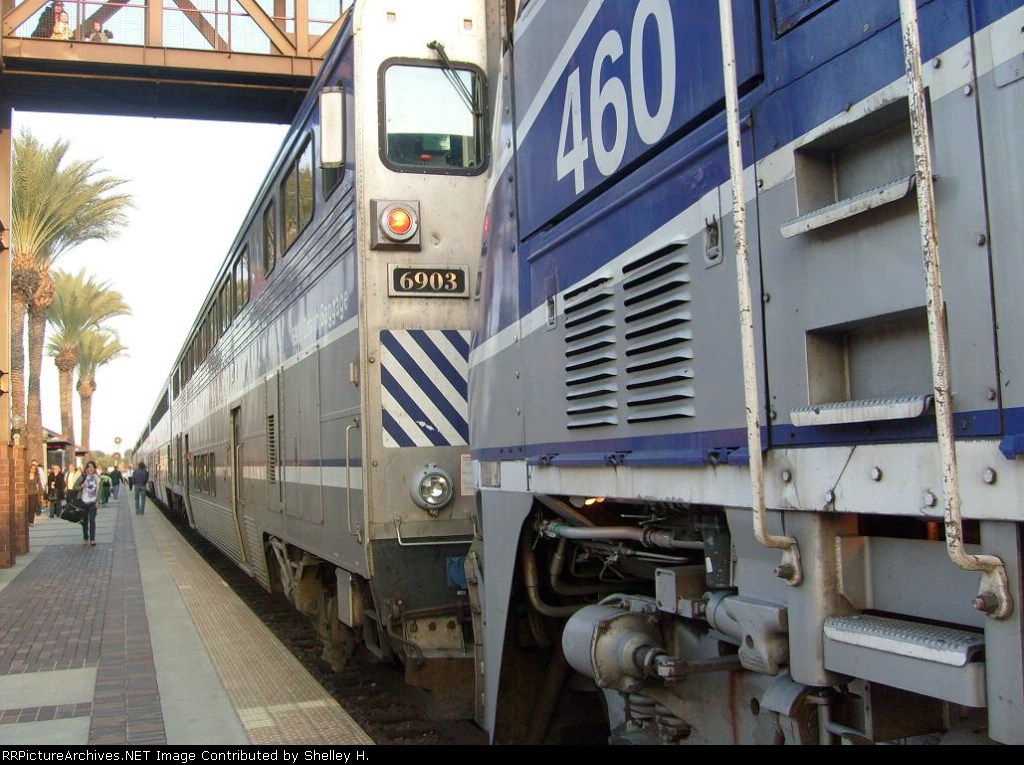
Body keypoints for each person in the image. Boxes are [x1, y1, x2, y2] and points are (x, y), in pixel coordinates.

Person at [72, 461, 100, 546]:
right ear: (86, 468)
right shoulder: (83, 477)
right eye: (89, 467)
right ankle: (85, 538)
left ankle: (92, 539)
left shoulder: (97, 478)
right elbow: (74, 487)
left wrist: (98, 501)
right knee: (84, 520)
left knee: (92, 520)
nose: (90, 469)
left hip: (93, 502)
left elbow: (99, 491)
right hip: (84, 501)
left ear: (94, 468)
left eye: (92, 467)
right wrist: (81, 487)